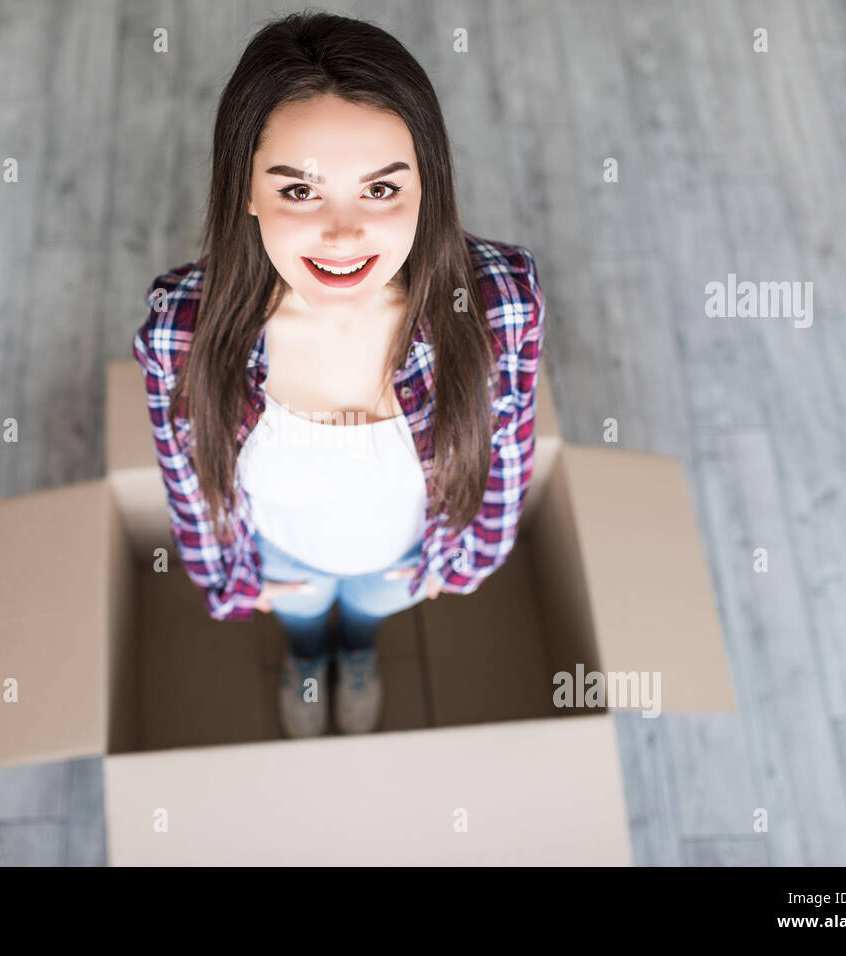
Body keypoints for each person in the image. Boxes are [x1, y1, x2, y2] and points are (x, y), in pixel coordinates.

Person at [132, 11, 546, 738]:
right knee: (304, 624)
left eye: (382, 189)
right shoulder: (183, 334)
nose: (345, 233)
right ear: (246, 192)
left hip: (405, 559)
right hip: (282, 555)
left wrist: (465, 564)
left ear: (428, 183)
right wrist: (232, 584)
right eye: (298, 191)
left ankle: (358, 658)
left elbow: (508, 446)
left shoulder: (497, 307)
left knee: (362, 624)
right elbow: (189, 478)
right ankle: (304, 659)